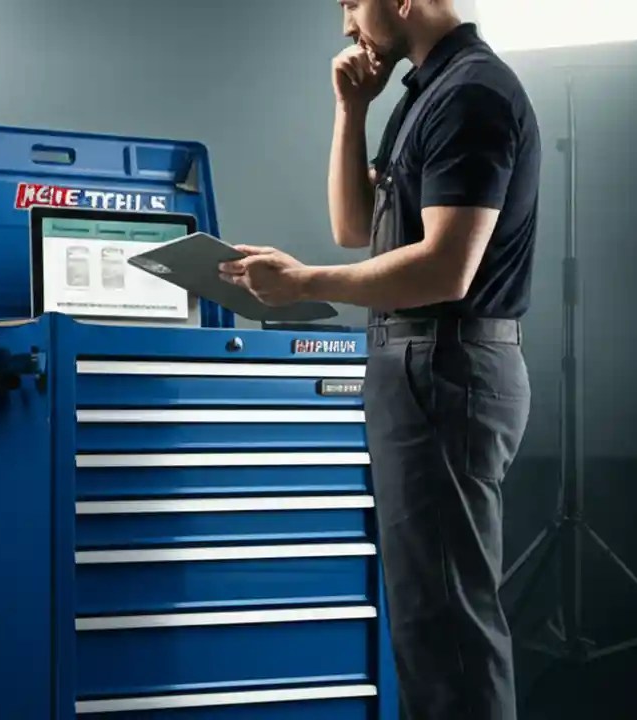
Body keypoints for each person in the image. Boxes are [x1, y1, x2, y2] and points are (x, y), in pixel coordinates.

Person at [219, 1, 541, 718]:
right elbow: (354, 225)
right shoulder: (429, 93)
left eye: (350, 2)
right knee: (428, 623)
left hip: (446, 367)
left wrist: (303, 283)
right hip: (420, 367)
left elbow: (446, 268)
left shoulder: (472, 94)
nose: (345, 25)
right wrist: (351, 109)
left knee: (449, 628)